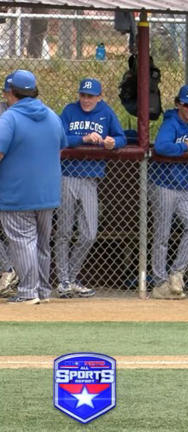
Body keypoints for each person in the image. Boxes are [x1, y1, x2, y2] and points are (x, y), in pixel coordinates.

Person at [55, 78, 127, 299]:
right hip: (68, 176)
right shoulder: (69, 110)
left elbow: (122, 137)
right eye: (83, 95)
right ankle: (63, 280)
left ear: (99, 97)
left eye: (91, 96)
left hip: (91, 178)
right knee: (65, 231)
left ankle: (73, 277)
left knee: (89, 233)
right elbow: (59, 137)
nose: (86, 100)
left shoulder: (105, 112)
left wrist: (113, 143)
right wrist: (84, 138)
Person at [0, 69, 67, 304]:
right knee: (40, 242)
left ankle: (28, 291)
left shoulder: (9, 118)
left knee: (22, 241)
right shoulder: (51, 115)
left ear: (12, 93)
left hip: (16, 192)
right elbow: (61, 146)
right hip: (48, 191)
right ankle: (42, 291)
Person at [149, 84, 188, 300]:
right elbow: (161, 146)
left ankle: (177, 272)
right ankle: (159, 283)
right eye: (187, 105)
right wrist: (184, 147)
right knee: (162, 235)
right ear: (178, 104)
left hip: (183, 187)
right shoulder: (170, 122)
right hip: (164, 185)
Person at [0, 74, 19, 297]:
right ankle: (9, 269)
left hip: (15, 180)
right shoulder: (2, 111)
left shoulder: (29, 114)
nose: (9, 97)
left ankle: (12, 271)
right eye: (7, 92)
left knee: (16, 230)